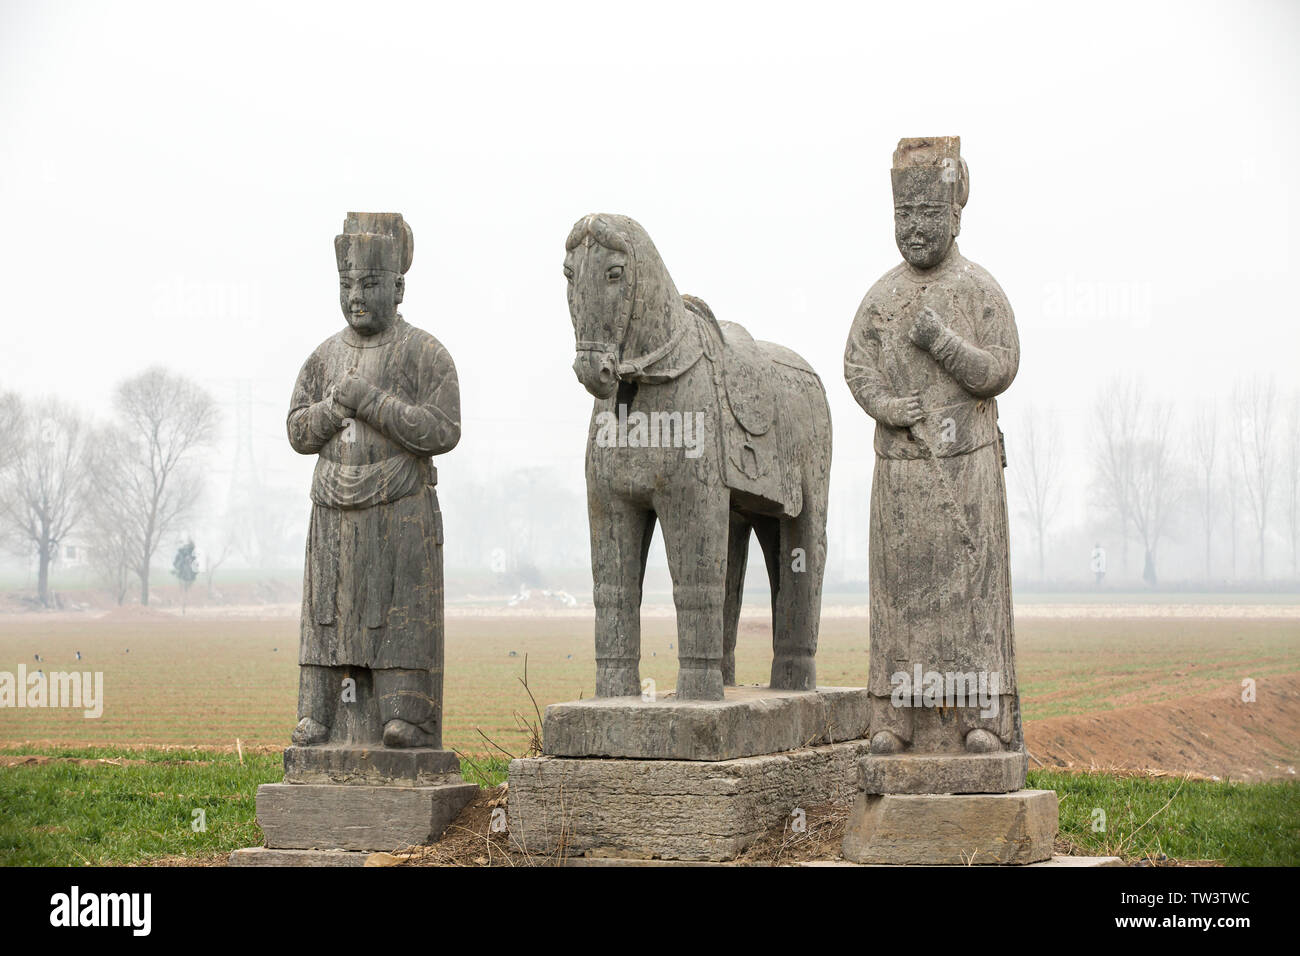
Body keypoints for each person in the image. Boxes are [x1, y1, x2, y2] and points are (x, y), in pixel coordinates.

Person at [843, 138, 1021, 756]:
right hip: (902, 474)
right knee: (900, 599)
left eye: (927, 214)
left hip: (967, 470)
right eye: (903, 216)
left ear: (955, 213)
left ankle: (981, 721)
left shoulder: (978, 290)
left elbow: (998, 368)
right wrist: (888, 409)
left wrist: (940, 341)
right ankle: (897, 719)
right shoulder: (882, 297)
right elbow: (856, 364)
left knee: (971, 598)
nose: (914, 229)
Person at [287, 212, 460, 749]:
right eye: (346, 284)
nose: (355, 296)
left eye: (369, 284)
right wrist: (332, 408)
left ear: (398, 287)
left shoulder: (425, 353)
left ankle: (407, 715)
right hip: (334, 515)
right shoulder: (323, 357)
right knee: (329, 615)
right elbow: (297, 430)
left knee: (400, 617)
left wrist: (374, 403)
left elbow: (444, 428)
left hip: (400, 510)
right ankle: (322, 713)